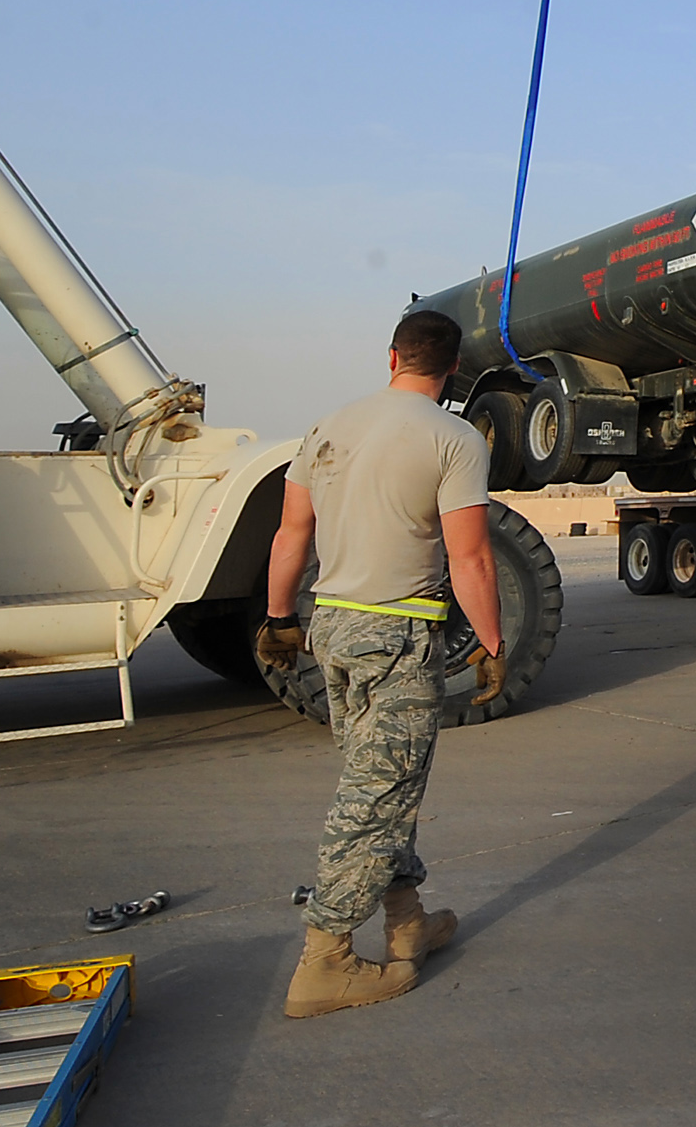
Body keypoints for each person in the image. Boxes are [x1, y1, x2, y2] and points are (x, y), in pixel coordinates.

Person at [257, 309, 505, 1018]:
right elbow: (469, 555)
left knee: (383, 780)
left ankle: (405, 920)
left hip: (331, 629)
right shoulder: (453, 437)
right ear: (452, 368)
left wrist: (279, 620)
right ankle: (326, 958)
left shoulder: (328, 426)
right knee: (374, 799)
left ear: (391, 356)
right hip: (397, 636)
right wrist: (492, 643)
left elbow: (291, 534)